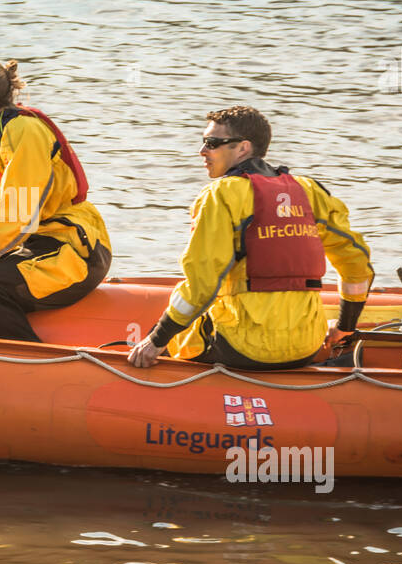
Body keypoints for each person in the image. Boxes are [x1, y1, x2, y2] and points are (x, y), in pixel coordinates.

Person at [127, 105, 373, 369]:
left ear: (243, 148)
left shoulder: (220, 195)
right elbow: (356, 263)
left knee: (180, 312)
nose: (202, 151)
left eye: (212, 143)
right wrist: (346, 325)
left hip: (242, 348)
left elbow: (202, 283)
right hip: (306, 345)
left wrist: (156, 339)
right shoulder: (309, 191)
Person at [0, 58, 112, 342]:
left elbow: (18, 212)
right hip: (31, 245)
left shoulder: (23, 132)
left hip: (72, 250)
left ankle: (30, 366)